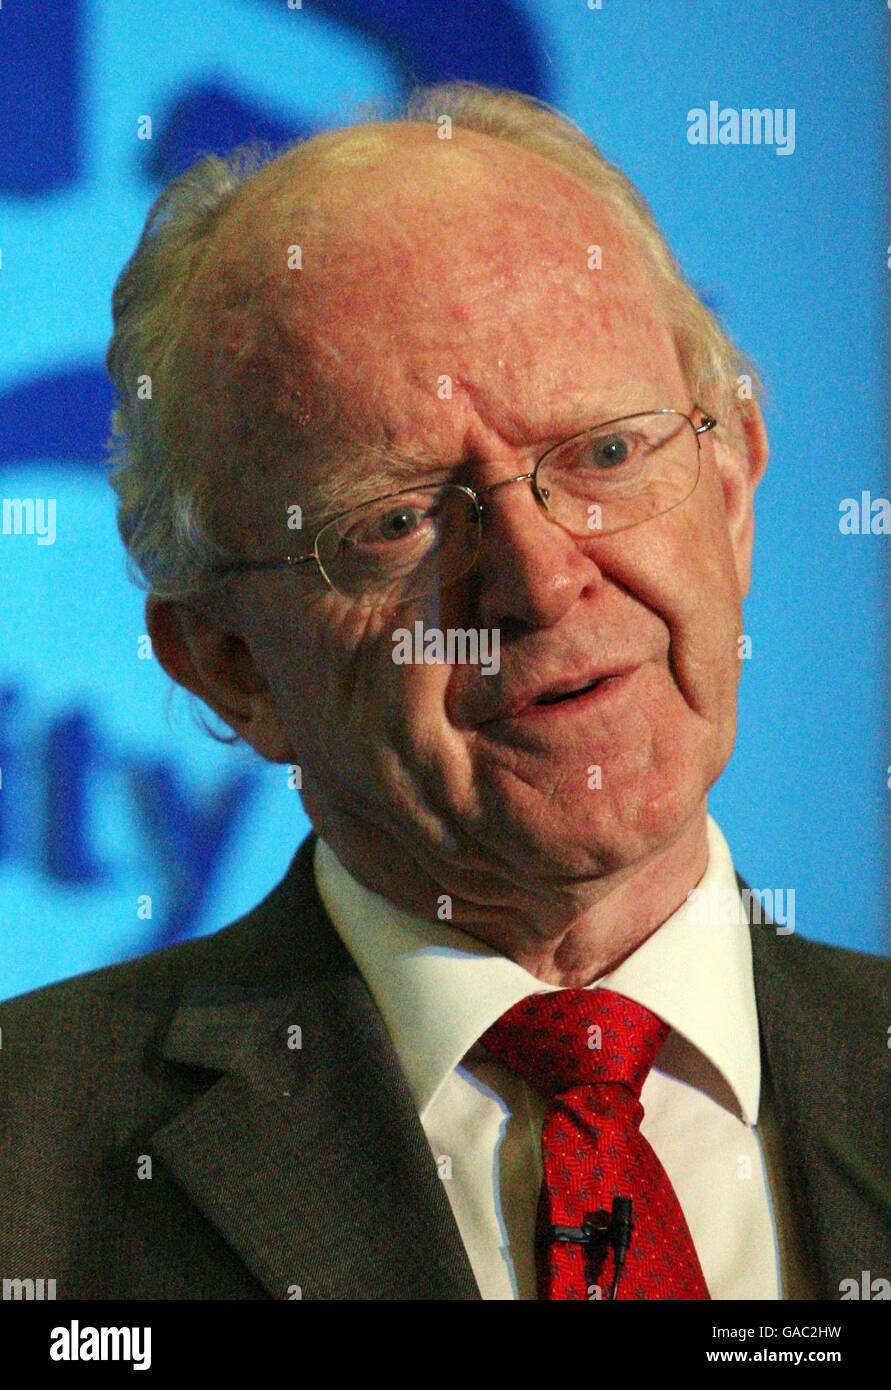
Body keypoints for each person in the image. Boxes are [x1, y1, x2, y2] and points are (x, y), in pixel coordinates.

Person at [1, 82, 888, 1302]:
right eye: (401, 520)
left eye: (608, 453)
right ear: (231, 664)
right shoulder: (28, 1168)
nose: (538, 578)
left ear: (733, 494)